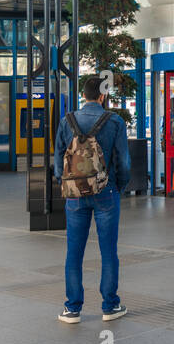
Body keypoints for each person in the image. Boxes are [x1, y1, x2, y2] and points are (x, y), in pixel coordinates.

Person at [54, 75, 131, 324]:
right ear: (102, 96)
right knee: (108, 251)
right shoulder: (115, 121)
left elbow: (58, 158)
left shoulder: (67, 121)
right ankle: (110, 305)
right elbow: (124, 162)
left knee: (73, 251)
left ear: (83, 95)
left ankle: (72, 308)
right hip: (106, 193)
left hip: (75, 195)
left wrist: (65, 184)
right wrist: (118, 185)